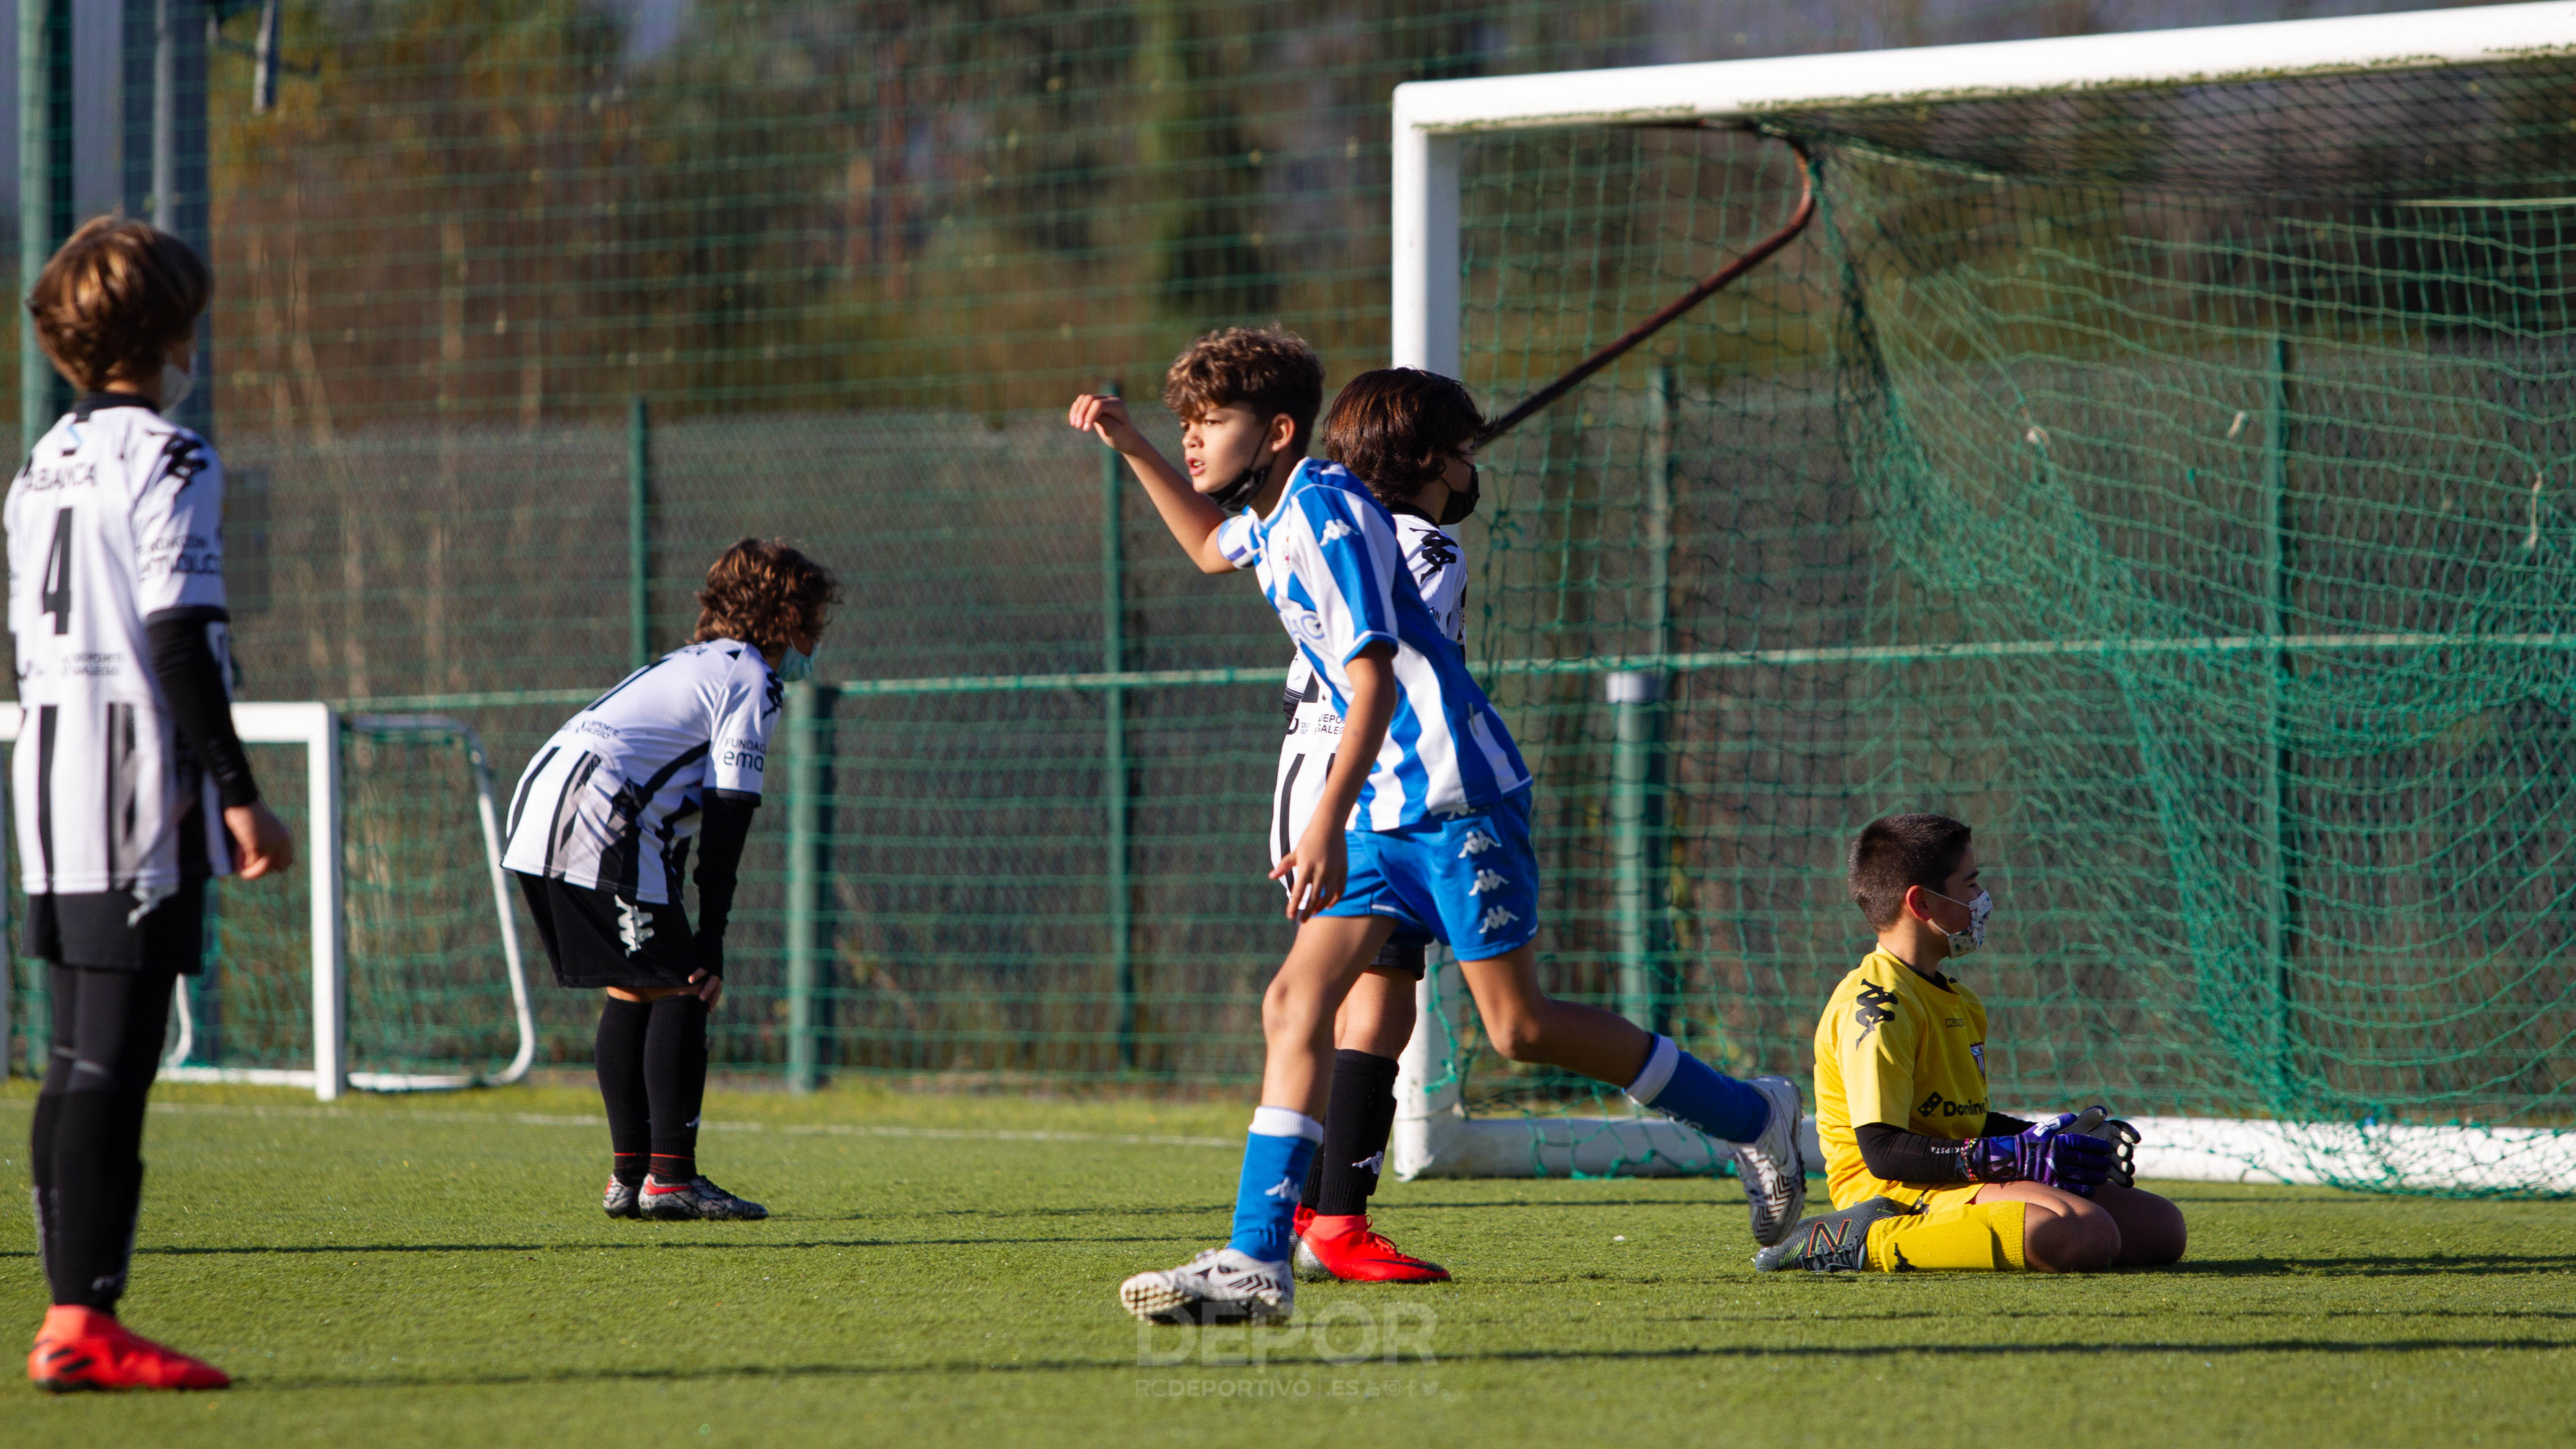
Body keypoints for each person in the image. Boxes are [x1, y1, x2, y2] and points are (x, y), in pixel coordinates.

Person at [1072, 363, 1805, 1326]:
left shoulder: (1337, 518)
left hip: (1456, 802)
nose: (1194, 439)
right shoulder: (1292, 512)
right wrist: (1135, 449)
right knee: (1294, 1000)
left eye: (1211, 422)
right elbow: (1214, 547)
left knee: (1520, 1027)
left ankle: (1754, 1115)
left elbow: (1372, 681)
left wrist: (1320, 823)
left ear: (1282, 431)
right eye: (1188, 426)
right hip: (1376, 808)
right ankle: (1258, 1254)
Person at [10, 216, 297, 1391]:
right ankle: (85, 1321)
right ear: (176, 329)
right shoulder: (172, 458)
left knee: (75, 1057)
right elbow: (181, 639)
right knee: (114, 1066)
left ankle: (66, 1311)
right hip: (136, 793)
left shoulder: (40, 463)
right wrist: (239, 794)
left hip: (46, 778)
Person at [502, 539, 838, 1222]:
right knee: (683, 982)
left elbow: (676, 809)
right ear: (787, 619)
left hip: (542, 804)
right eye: (813, 622)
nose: (817, 639)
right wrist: (710, 939)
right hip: (598, 815)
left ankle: (632, 1177)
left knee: (637, 984)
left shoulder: (693, 662)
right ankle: (671, 1179)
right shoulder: (749, 676)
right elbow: (728, 814)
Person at [1756, 813, 2188, 1273]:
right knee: (2085, 1233)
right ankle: (1860, 1240)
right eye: (1970, 884)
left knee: (2161, 1227)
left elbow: (1962, 1122)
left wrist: (2046, 1139)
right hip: (1890, 1190)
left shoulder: (1960, 999)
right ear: (1921, 903)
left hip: (1953, 1170)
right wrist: (2007, 1159)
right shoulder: (1876, 1006)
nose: (1983, 901)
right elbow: (1882, 1153)